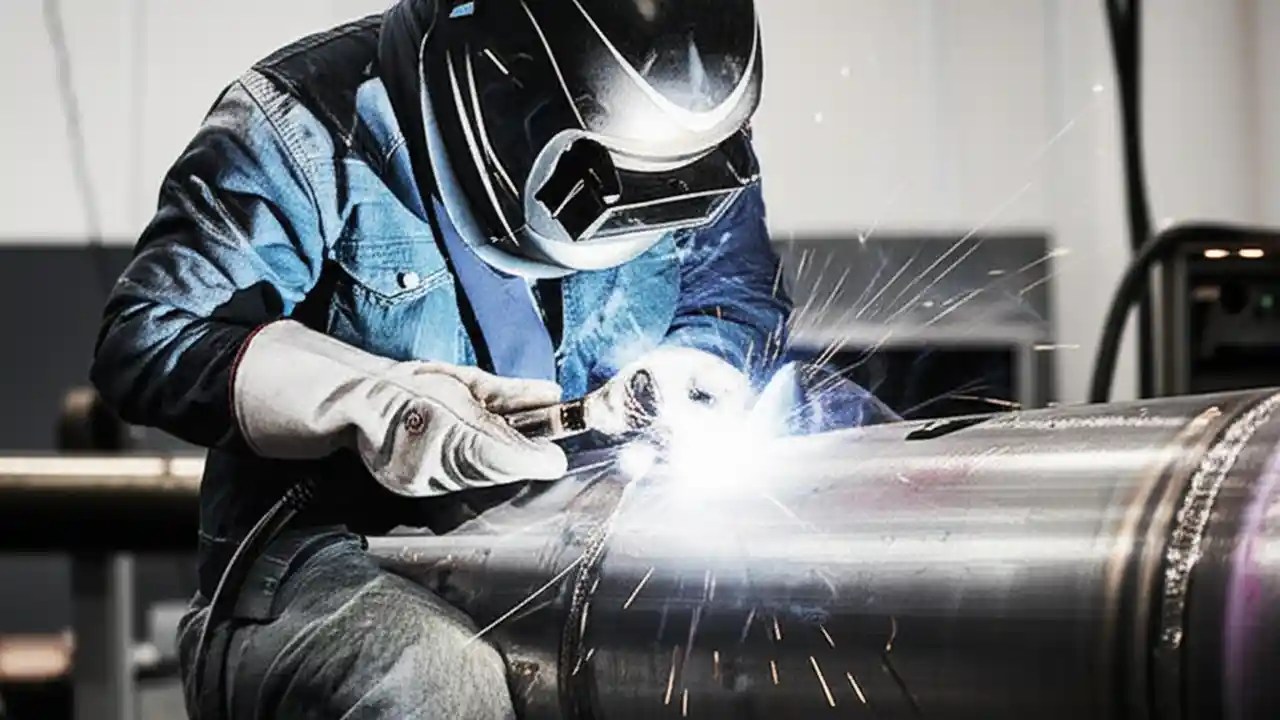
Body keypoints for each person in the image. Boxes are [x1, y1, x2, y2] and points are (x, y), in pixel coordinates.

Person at [90, 0, 790, 717]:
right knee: (433, 680)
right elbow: (147, 336)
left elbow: (734, 296)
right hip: (326, 562)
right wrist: (369, 401)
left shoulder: (687, 126)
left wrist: (697, 361)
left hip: (574, 539)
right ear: (504, 77)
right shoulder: (302, 124)